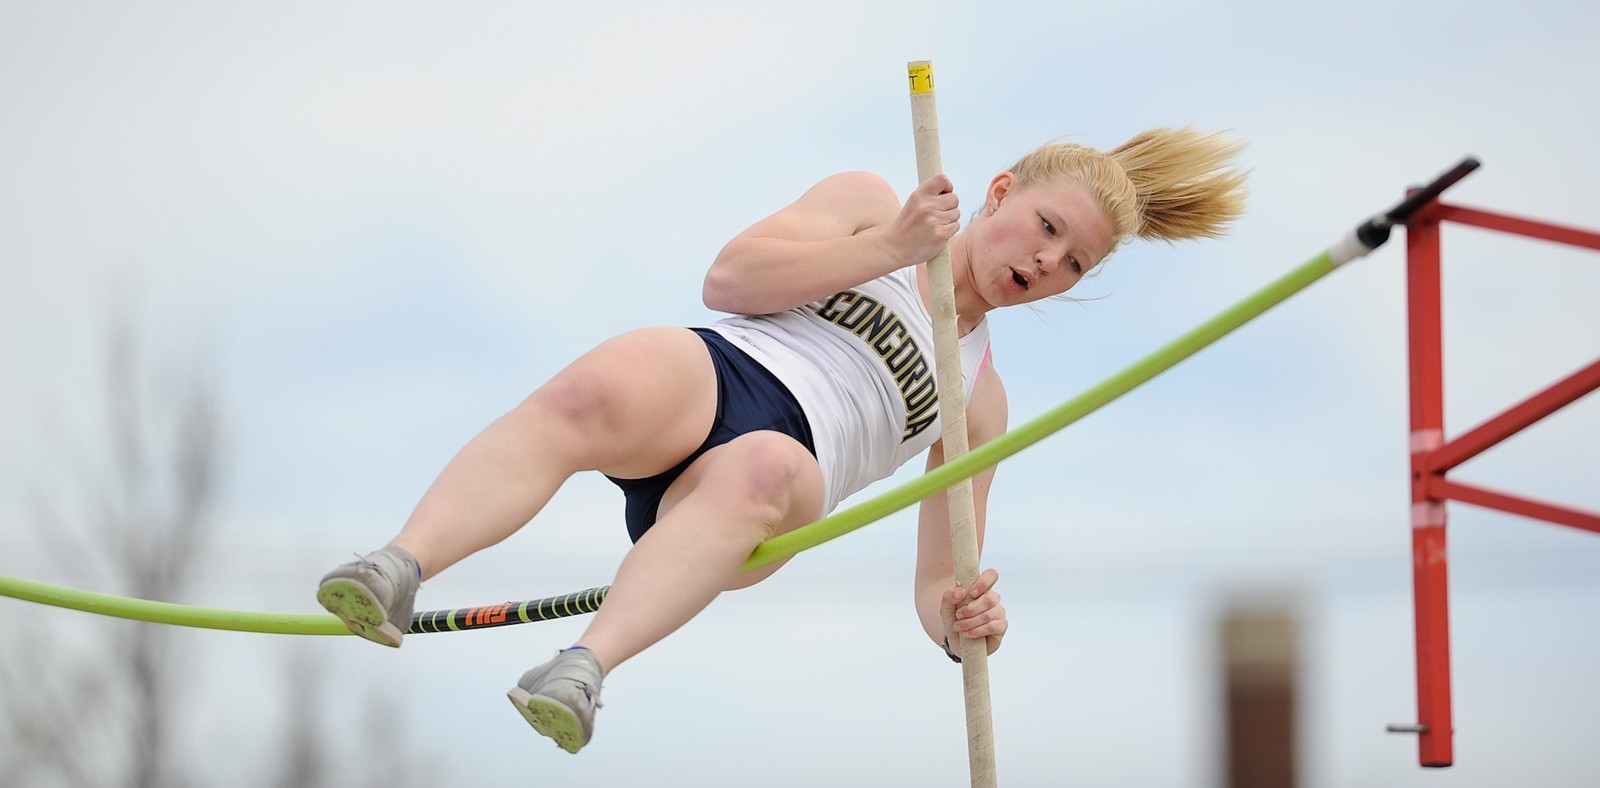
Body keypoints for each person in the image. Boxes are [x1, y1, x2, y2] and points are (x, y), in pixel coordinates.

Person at [316, 127, 1247, 754]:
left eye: (1072, 263)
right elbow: (730, 280)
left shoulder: (981, 398)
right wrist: (891, 245)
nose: (1046, 263)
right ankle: (402, 563)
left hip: (783, 476)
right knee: (610, 374)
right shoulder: (868, 201)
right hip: (719, 375)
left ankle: (584, 669)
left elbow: (935, 582)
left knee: (763, 466)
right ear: (1001, 193)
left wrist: (966, 626)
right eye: (1046, 228)